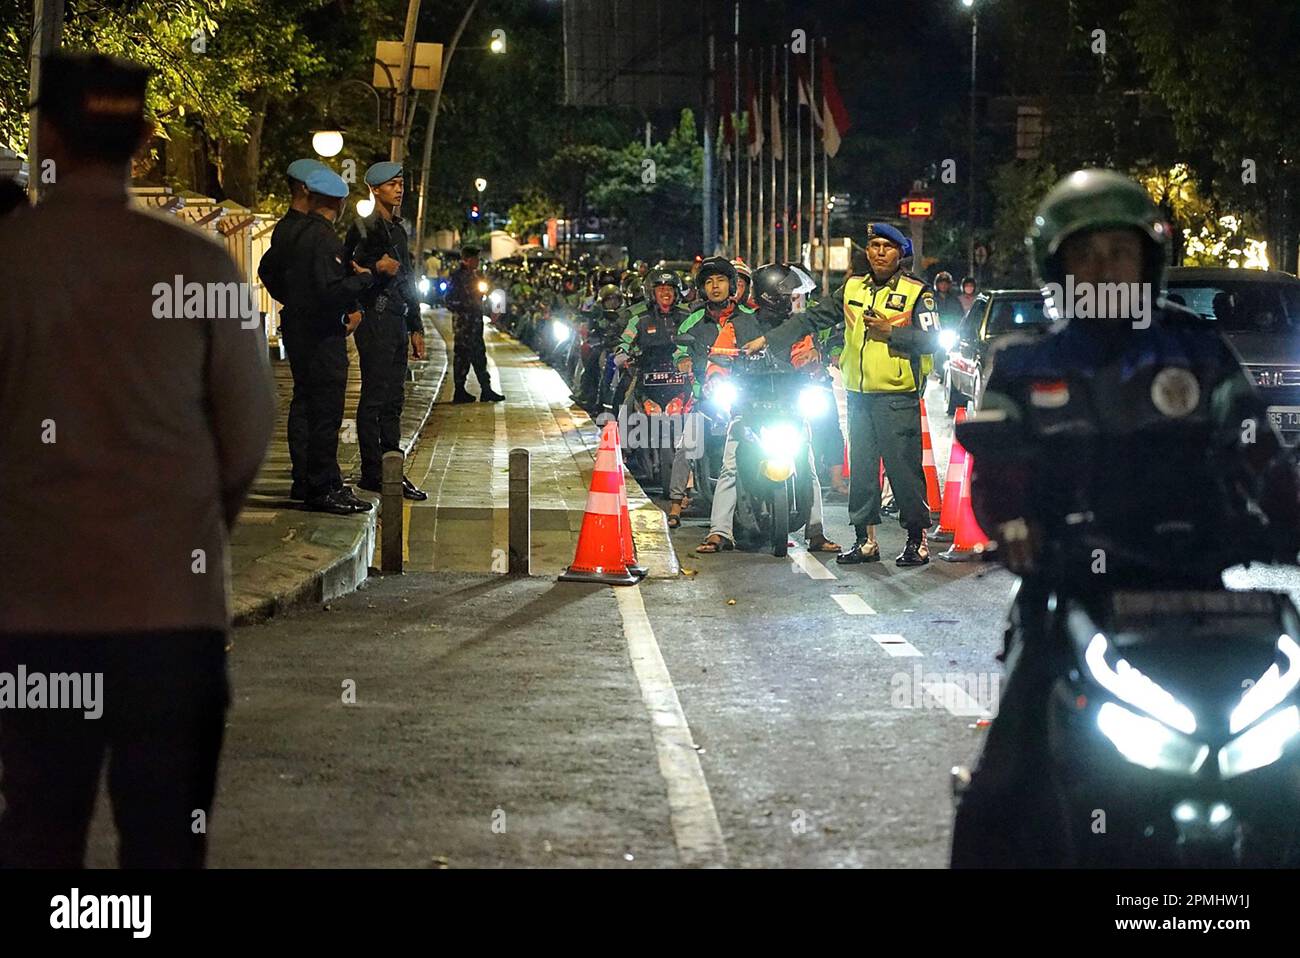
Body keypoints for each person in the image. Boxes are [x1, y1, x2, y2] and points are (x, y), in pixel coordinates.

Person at [950, 169, 1300, 865]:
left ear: (1149, 261)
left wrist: (1287, 514)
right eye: (1086, 253)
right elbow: (998, 471)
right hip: (1067, 593)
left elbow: (1259, 452)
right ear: (1057, 268)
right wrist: (1014, 526)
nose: (1104, 267)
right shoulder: (1023, 362)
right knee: (1004, 779)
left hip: (1202, 586)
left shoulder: (1198, 354)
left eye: (1120, 250)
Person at [0, 53, 276, 867]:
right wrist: (193, 532)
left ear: (47, 134)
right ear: (145, 141)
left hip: (36, 622)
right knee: (164, 844)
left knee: (40, 835)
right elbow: (249, 430)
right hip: (171, 623)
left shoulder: (10, 263)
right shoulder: (201, 266)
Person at [745, 223, 942, 566]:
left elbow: (932, 340)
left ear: (900, 254)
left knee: (903, 470)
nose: (880, 252)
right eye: (875, 246)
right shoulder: (852, 288)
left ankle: (916, 540)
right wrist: (767, 340)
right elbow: (812, 318)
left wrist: (891, 333)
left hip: (897, 396)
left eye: (888, 247)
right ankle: (865, 540)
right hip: (858, 394)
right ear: (868, 251)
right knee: (862, 470)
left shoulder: (917, 292)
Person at [695, 263, 839, 555]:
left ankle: (816, 531)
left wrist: (814, 367)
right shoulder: (739, 325)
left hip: (789, 407)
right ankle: (719, 531)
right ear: (772, 296)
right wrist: (715, 377)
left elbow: (803, 356)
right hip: (749, 408)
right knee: (730, 466)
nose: (793, 300)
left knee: (808, 465)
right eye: (788, 295)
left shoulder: (797, 329)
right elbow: (719, 357)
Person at [277, 167, 380, 515]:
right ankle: (323, 486)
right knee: (325, 409)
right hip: (322, 333)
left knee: (305, 402)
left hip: (299, 327)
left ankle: (308, 480)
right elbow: (329, 290)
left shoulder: (291, 231)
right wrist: (365, 279)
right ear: (337, 201)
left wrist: (293, 300)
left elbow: (269, 271)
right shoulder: (322, 238)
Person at [344, 161, 429, 500]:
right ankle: (371, 470)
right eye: (392, 184)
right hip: (375, 319)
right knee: (375, 396)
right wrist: (377, 269)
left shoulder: (397, 229)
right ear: (375, 189)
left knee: (395, 398)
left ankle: (392, 468)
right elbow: (348, 271)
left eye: (401, 183)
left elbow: (407, 279)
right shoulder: (363, 228)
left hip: (396, 319)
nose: (399, 189)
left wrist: (416, 326)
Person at [258, 157, 328, 502]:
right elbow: (267, 269)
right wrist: (295, 299)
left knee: (309, 398)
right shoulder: (291, 228)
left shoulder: (300, 226)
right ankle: (307, 476)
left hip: (305, 322)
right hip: (307, 326)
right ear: (304, 188)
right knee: (309, 399)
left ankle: (310, 475)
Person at [667, 256, 753, 526]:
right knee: (687, 444)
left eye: (721, 280)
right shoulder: (693, 321)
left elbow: (769, 343)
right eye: (709, 282)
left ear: (733, 285)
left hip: (749, 397)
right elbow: (679, 348)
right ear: (703, 288)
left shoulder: (750, 319)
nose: (715, 287)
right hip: (706, 395)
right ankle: (675, 504)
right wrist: (683, 359)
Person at [445, 244, 505, 404]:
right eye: (475, 258)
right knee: (462, 358)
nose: (478, 261)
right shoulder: (457, 277)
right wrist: (466, 306)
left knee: (479, 356)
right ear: (468, 259)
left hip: (475, 323)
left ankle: (486, 390)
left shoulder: (476, 276)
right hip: (464, 325)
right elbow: (449, 301)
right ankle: (459, 391)